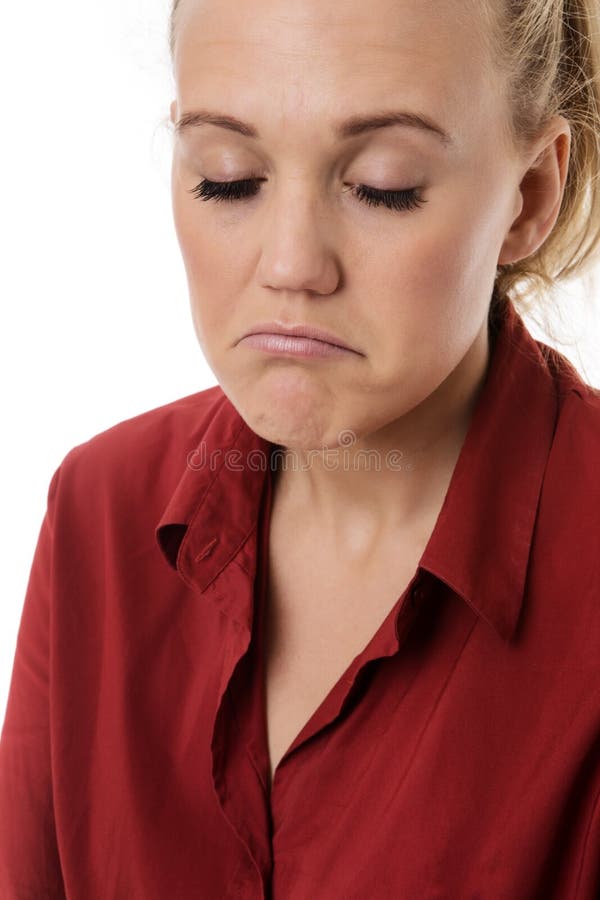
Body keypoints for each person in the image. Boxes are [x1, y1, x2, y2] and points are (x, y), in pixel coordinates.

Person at [2, 0, 600, 896]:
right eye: (228, 178)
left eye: (383, 185)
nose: (290, 265)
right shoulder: (100, 506)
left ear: (529, 199)